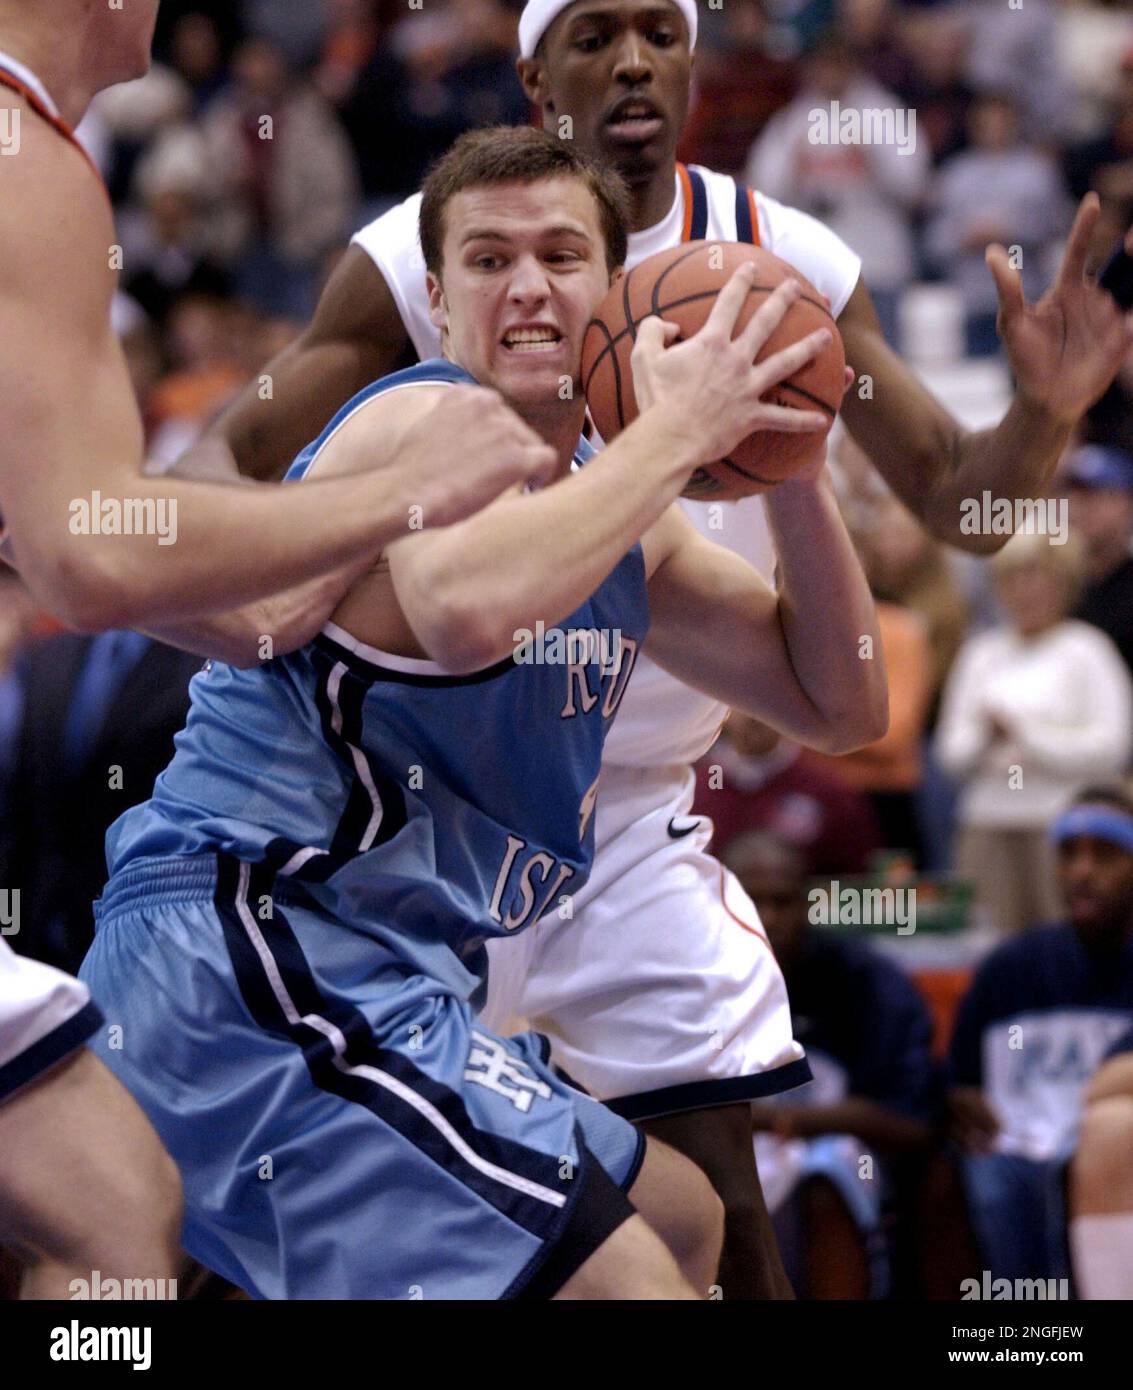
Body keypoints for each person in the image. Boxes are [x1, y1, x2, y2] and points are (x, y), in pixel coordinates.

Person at [186, 0, 1133, 1299]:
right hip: (414, 819)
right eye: (591, 34)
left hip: (630, 809)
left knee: (712, 1219)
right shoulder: (435, 255)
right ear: (530, 77)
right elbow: (220, 459)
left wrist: (1042, 410)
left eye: (658, 30)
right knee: (347, 1222)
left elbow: (960, 512)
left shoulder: (771, 256)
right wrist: (230, 593)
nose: (631, 61)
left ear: (694, 60)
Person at [78, 125, 886, 1300]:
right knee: (625, 1285)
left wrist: (788, 457)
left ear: (613, 293)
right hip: (249, 937)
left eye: (560, 256)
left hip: (383, 974)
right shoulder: (422, 419)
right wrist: (675, 433)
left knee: (685, 1218)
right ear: (440, 307)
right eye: (485, 259)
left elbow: (840, 697)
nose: (524, 287)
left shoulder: (618, 512)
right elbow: (461, 604)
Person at [0, 0, 545, 1301]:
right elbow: (95, 553)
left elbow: (120, 560)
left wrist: (289, 580)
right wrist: (401, 491)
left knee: (108, 1226)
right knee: (116, 1238)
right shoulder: (30, 163)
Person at [723, 832, 937, 1300]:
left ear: (808, 905)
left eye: (783, 902)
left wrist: (780, 1120)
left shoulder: (865, 981)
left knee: (832, 1169)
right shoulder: (695, 982)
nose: (769, 918)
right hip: (733, 1150)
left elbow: (912, 1119)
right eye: (750, 901)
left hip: (843, 1156)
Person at [947, 785, 1133, 1286]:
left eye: (1106, 854)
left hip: (1110, 1151)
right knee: (993, 1179)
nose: (1083, 871)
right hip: (1019, 1153)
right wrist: (960, 1101)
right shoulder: (1010, 966)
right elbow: (959, 1078)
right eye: (1069, 854)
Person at [936, 533, 1133, 933]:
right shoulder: (981, 653)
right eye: (1013, 581)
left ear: (1063, 585)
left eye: (1038, 579)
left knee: (1065, 937)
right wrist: (986, 737)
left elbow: (1110, 748)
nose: (1025, 593)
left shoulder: (1088, 650)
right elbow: (950, 753)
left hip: (1062, 829)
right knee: (988, 941)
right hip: (986, 825)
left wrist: (1025, 734)